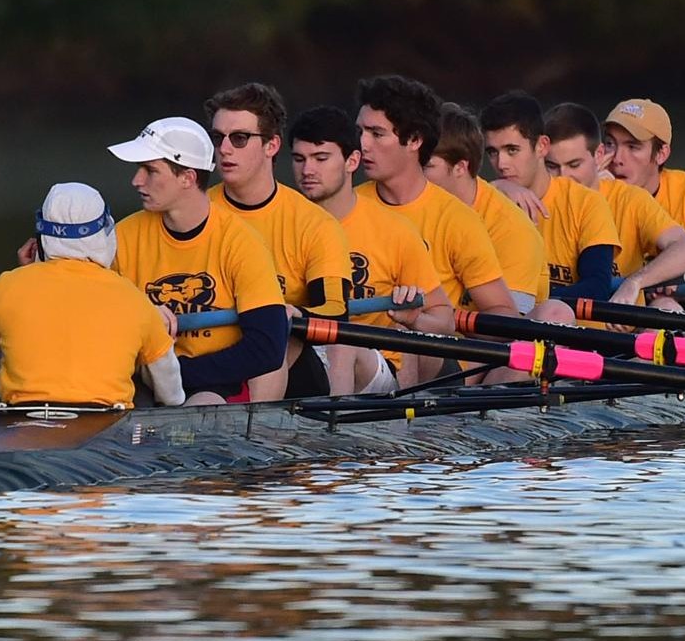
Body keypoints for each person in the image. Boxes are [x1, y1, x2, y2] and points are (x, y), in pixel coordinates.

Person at [106, 115, 289, 403]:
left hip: (213, 385)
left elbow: (267, 347)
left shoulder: (241, 242)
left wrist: (175, 375)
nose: (136, 180)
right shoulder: (122, 235)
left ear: (187, 178)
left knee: (205, 405)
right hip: (139, 380)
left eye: (150, 170)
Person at [353, 75, 520, 383]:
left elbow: (502, 312)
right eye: (360, 132)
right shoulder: (348, 206)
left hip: (437, 359)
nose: (362, 144)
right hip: (359, 353)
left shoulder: (455, 218)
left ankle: (400, 423)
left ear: (414, 141)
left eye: (377, 134)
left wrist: (428, 320)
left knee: (406, 331)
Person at [0, 183, 183, 406]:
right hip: (105, 423)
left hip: (24, 417)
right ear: (104, 234)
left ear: (40, 238)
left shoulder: (6, 286)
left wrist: (16, 347)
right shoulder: (135, 300)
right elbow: (170, 390)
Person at [287, 104, 455, 391]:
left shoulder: (395, 231)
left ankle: (332, 430)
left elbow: (445, 321)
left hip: (371, 362)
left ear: (352, 161)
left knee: (341, 341)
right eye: (299, 159)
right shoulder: (280, 222)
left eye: (321, 158)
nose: (308, 170)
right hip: (300, 353)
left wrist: (414, 319)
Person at [203, 82, 353, 400]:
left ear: (272, 145)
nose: (225, 149)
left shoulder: (313, 224)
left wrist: (291, 312)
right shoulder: (196, 211)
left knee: (274, 334)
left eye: (240, 138)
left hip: (283, 359)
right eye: (217, 138)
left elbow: (336, 310)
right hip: (207, 354)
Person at [477, 90, 634, 309]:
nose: (501, 163)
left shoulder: (586, 202)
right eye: (492, 152)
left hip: (576, 331)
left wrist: (528, 297)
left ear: (542, 146)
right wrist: (496, 189)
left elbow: (596, 287)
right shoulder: (484, 198)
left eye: (512, 150)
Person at [540, 102, 685, 305]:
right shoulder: (530, 198)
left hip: (620, 323)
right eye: (552, 166)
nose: (563, 178)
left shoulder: (630, 199)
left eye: (575, 165)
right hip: (556, 321)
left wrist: (633, 283)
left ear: (597, 155)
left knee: (667, 307)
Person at [422, 102, 550, 315]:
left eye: (426, 166)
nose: (414, 173)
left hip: (477, 343)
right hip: (418, 336)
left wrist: (439, 318)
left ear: (461, 167)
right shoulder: (409, 206)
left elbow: (507, 329)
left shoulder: (513, 229)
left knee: (556, 310)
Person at [603, 99, 685, 285]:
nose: (617, 159)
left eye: (632, 147)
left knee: (665, 303)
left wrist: (676, 296)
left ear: (661, 154)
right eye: (610, 143)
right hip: (610, 297)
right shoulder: (588, 192)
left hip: (678, 303)